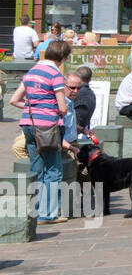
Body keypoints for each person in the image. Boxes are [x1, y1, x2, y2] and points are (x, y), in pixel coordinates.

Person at [9, 40, 76, 223]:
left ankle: (34, 212)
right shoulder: (54, 73)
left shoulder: (32, 72)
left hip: (28, 124)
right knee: (54, 170)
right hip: (48, 126)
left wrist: (34, 106)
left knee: (36, 168)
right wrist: (52, 109)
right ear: (63, 57)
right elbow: (62, 108)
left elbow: (14, 100)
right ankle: (49, 214)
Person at [64, 65, 96, 142]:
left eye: (78, 88)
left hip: (72, 142)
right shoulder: (60, 104)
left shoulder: (71, 101)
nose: (75, 91)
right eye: (72, 88)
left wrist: (83, 130)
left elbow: (70, 125)